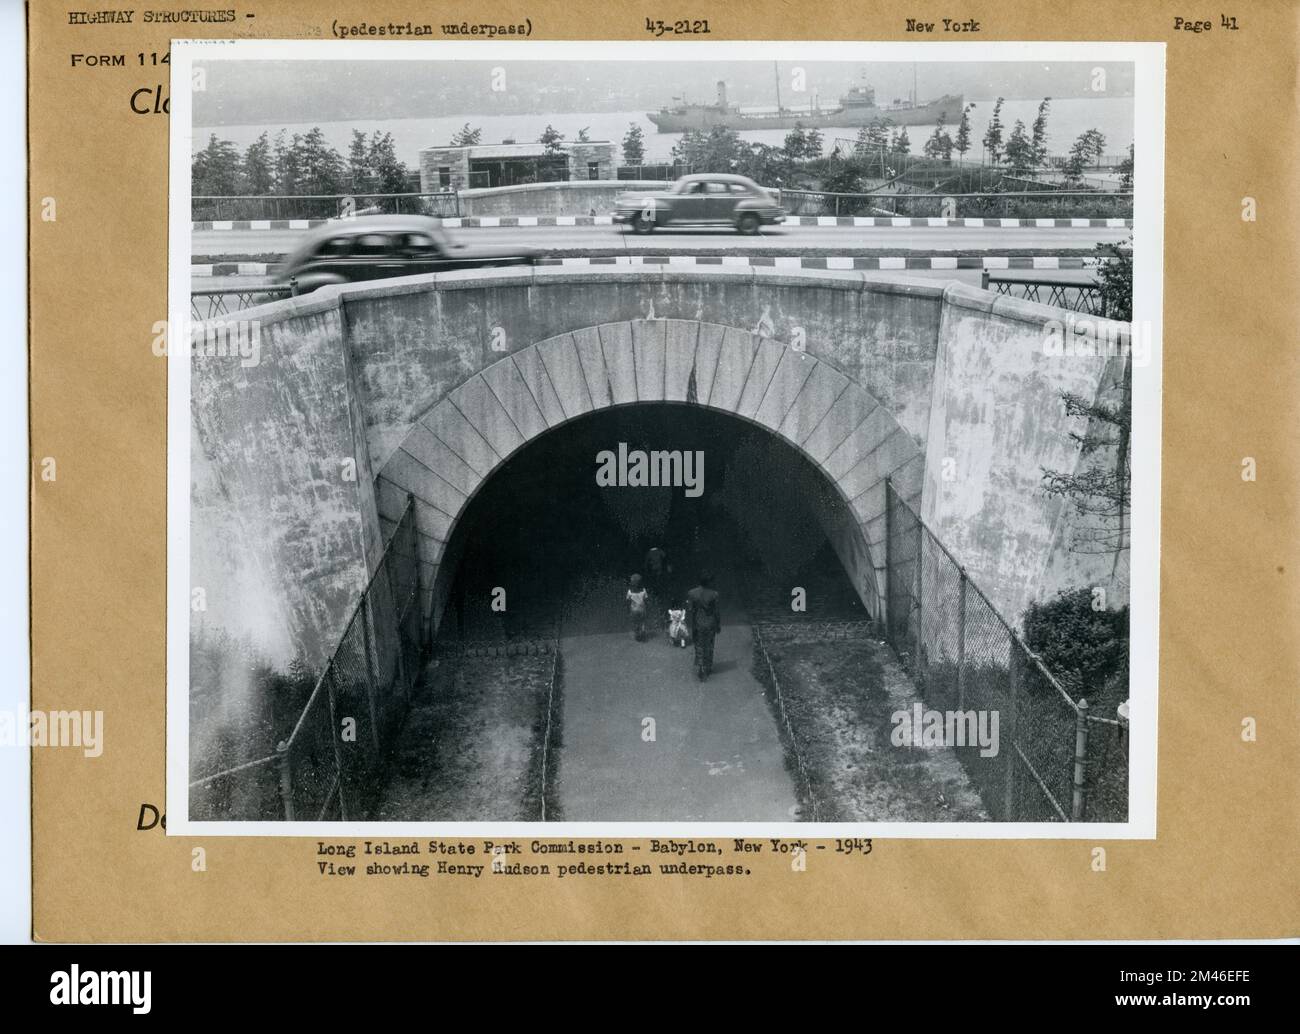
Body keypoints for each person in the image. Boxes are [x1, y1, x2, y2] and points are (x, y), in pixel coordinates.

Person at [685, 572, 721, 681]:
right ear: (709, 582)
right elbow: (716, 612)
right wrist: (718, 624)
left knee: (699, 645)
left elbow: (690, 609)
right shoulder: (714, 594)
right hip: (710, 624)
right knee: (709, 645)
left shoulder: (692, 593)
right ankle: (708, 666)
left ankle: (700, 665)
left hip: (698, 623)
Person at [626, 574, 649, 642]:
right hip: (642, 609)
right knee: (642, 621)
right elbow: (646, 600)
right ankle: (642, 630)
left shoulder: (630, 591)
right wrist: (647, 608)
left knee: (635, 622)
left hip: (633, 610)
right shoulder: (643, 590)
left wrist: (628, 610)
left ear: (632, 582)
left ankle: (637, 633)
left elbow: (627, 601)